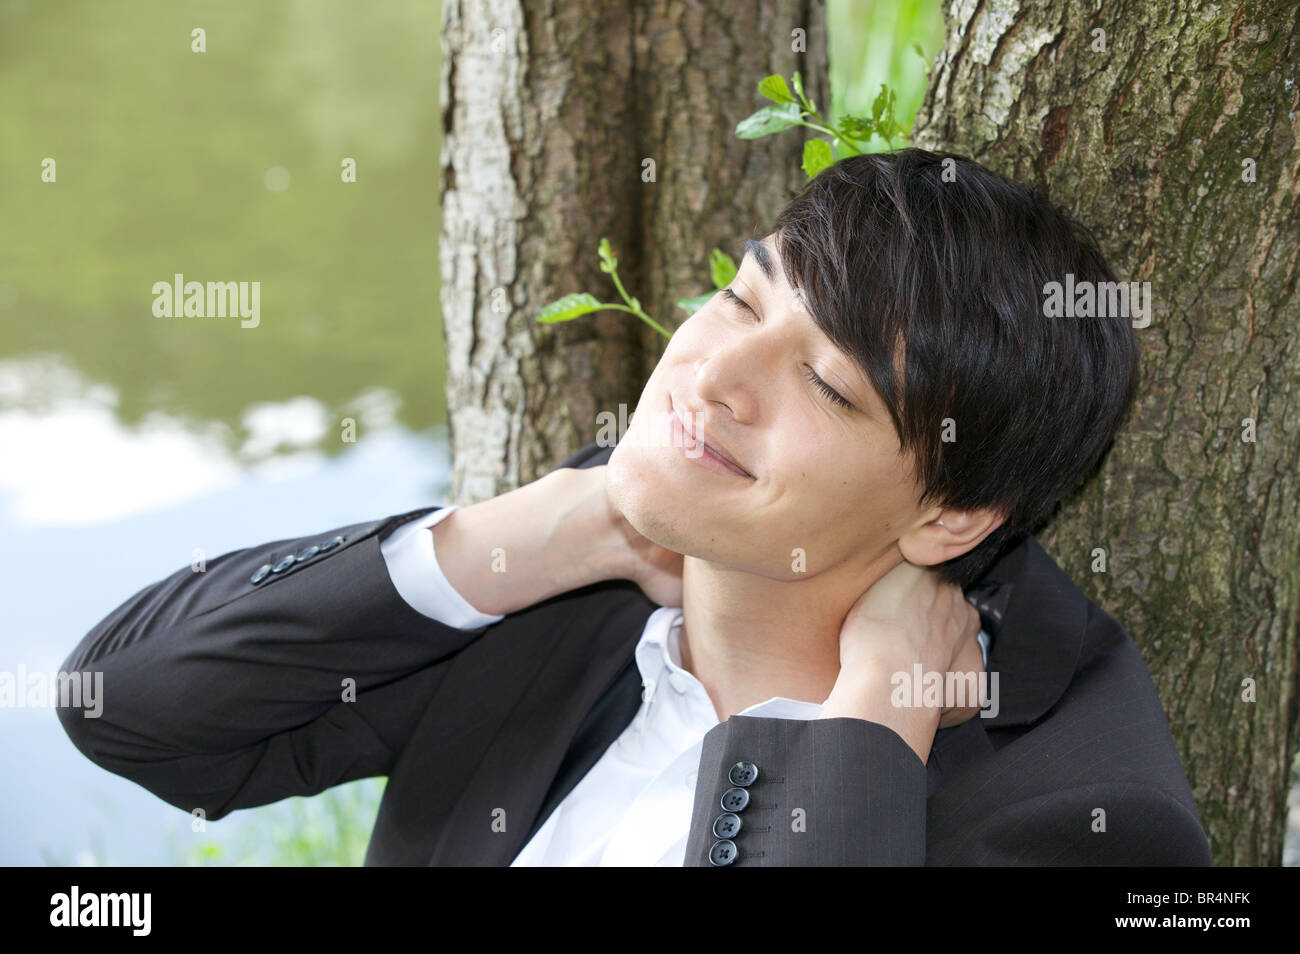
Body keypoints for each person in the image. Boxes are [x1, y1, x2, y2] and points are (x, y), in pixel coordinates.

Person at [57, 148, 1212, 865]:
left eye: (821, 381)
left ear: (950, 519)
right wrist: (560, 527)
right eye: (737, 297)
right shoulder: (575, 604)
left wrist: (862, 736)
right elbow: (127, 707)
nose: (711, 373)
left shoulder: (1079, 820)